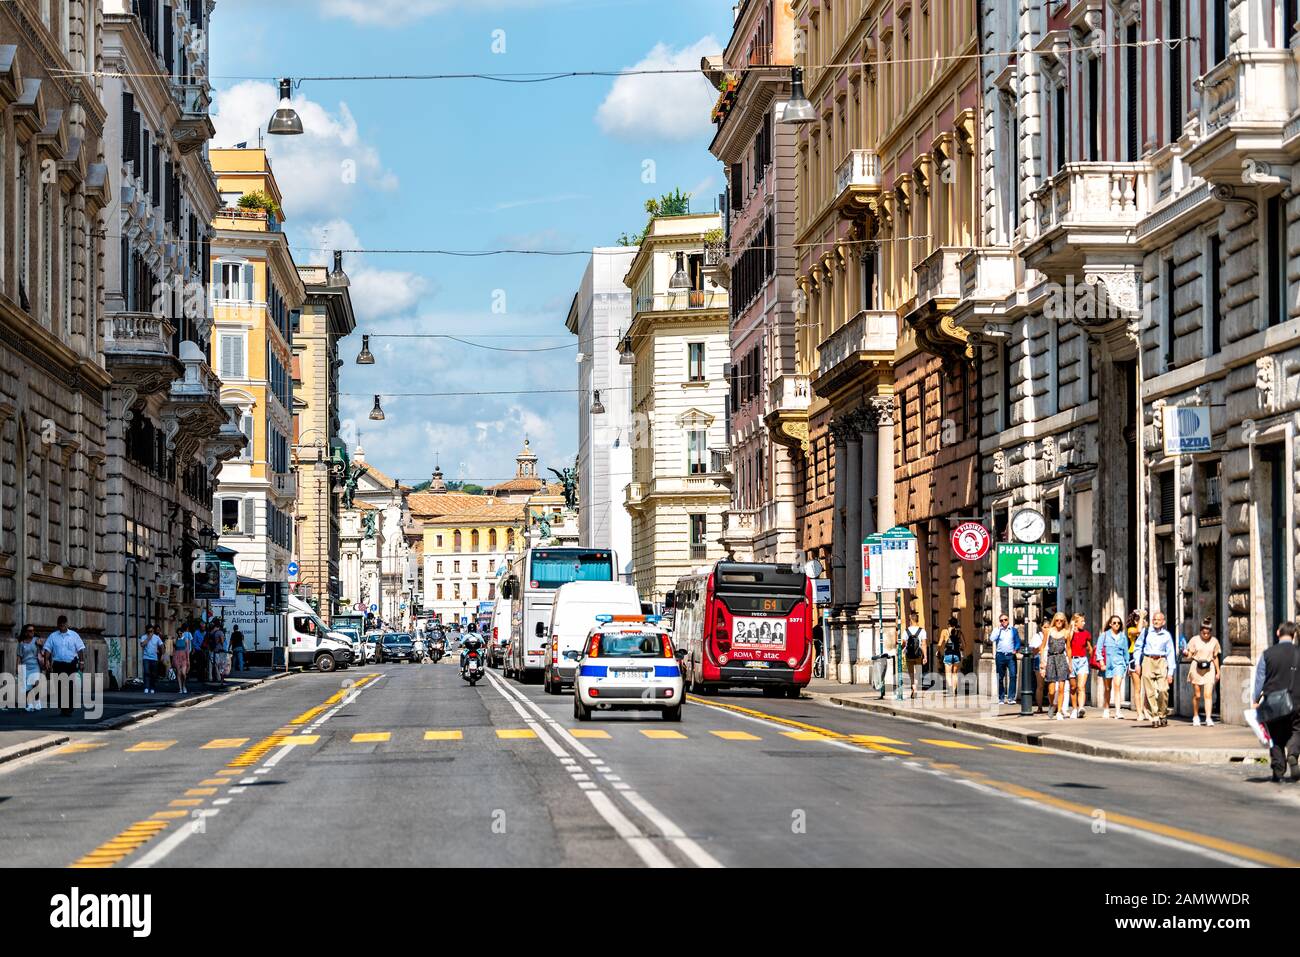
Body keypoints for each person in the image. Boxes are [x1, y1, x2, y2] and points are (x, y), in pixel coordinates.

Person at [1253, 622, 1300, 783]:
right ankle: (1293, 753)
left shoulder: (1268, 654)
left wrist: (1255, 699)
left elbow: (1259, 679)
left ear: (1278, 632)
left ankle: (1278, 770)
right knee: (1297, 730)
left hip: (1273, 702)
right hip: (1296, 701)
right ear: (1294, 634)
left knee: (1275, 736)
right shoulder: (1298, 652)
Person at [1136, 611, 1177, 727]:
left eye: (1158, 619)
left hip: (1161, 661)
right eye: (1154, 619)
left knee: (1163, 690)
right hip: (1148, 660)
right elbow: (1138, 647)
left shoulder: (1167, 635)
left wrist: (1171, 672)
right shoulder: (1146, 632)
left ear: (1163, 622)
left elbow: (1171, 654)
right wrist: (1138, 664)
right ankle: (1154, 716)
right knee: (1150, 691)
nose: (1156, 621)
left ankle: (1162, 713)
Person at [1183, 618, 1221, 727]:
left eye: (1208, 633)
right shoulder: (1194, 640)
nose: (1206, 635)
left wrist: (1218, 671)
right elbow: (1190, 655)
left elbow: (1215, 657)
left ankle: (1208, 718)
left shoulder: (1214, 641)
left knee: (1208, 694)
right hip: (1196, 667)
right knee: (1197, 695)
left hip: (1209, 668)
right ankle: (1195, 716)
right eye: (1204, 633)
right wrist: (1186, 653)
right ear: (1200, 631)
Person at [44, 616, 85, 715]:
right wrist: (46, 661)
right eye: (60, 624)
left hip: (70, 664)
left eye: (63, 624)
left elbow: (80, 649)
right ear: (57, 625)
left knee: (70, 686)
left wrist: (82, 662)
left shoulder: (74, 635)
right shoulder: (53, 636)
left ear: (67, 624)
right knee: (59, 687)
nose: (62, 626)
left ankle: (69, 707)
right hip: (58, 664)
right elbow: (47, 649)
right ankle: (63, 708)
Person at [1041, 613, 1073, 720]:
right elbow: (1043, 647)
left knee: (1061, 688)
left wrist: (1070, 663)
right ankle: (1052, 704)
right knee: (1051, 690)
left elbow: (1068, 648)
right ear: (1054, 620)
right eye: (1057, 620)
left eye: (1061, 620)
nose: (1059, 622)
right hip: (1051, 659)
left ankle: (1059, 711)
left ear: (1064, 622)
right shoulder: (1048, 631)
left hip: (1061, 659)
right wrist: (1042, 662)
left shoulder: (1066, 633)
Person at [1099, 615, 1130, 719]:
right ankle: (1106, 708)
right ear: (1110, 624)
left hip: (1119, 664)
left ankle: (1118, 711)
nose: (1117, 624)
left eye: (1118, 623)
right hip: (1107, 664)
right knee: (1107, 688)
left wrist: (1126, 665)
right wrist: (1102, 663)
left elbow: (1126, 652)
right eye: (1115, 623)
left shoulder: (1123, 637)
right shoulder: (1104, 635)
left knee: (1117, 686)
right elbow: (1098, 650)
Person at [989, 614, 1020, 705]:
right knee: (1000, 677)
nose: (1003, 622)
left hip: (1011, 656)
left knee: (1013, 676)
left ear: (1008, 620)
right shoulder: (997, 630)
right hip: (1000, 656)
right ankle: (1001, 698)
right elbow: (992, 639)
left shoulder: (1013, 630)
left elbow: (1017, 641)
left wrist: (1016, 649)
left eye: (1005, 620)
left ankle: (1011, 698)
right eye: (1001, 620)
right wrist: (998, 630)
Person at [1068, 614, 1094, 718]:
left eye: (1084, 621)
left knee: (1081, 686)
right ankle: (1074, 708)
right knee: (1073, 687)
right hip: (1072, 660)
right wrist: (1069, 663)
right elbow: (1068, 648)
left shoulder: (1086, 633)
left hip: (1082, 660)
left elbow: (1089, 647)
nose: (1084, 623)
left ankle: (1081, 708)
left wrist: (1093, 655)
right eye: (1081, 621)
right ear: (1075, 622)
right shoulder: (1069, 633)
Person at [1127, 610, 1148, 720]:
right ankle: (1139, 712)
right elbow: (1139, 631)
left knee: (1147, 686)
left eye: (1144, 619)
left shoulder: (1149, 631)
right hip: (1134, 657)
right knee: (1137, 688)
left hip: (1146, 656)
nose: (1143, 621)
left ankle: (1146, 709)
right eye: (1139, 619)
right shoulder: (1131, 630)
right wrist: (1141, 616)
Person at [16, 624, 43, 711]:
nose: (32, 632)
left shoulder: (36, 640)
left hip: (35, 666)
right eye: (30, 631)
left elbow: (42, 651)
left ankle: (37, 701)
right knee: (27, 686)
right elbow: (19, 656)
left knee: (36, 683)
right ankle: (30, 703)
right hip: (25, 666)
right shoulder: (21, 643)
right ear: (26, 632)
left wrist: (40, 645)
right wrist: (17, 667)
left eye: (33, 630)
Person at [901, 614, 927, 698]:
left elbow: (904, 643)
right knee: (918, 672)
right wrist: (925, 656)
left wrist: (901, 649)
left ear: (911, 620)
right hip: (918, 655)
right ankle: (915, 689)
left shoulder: (906, 631)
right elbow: (924, 644)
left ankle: (913, 687)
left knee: (911, 673)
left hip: (909, 654)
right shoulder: (922, 631)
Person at [940, 616, 964, 695]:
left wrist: (938, 651)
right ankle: (954, 690)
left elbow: (939, 644)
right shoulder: (959, 632)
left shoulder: (944, 631)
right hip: (957, 654)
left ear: (948, 624)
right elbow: (964, 644)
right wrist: (961, 648)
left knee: (948, 674)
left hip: (948, 654)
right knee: (955, 673)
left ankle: (950, 687)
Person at [139, 624, 164, 695]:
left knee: (154, 674)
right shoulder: (144, 637)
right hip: (146, 658)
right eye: (149, 631)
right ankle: (146, 687)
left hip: (154, 659)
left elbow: (162, 645)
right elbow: (142, 645)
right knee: (146, 672)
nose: (150, 632)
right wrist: (149, 638)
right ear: (147, 630)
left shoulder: (157, 637)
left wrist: (162, 655)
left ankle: (152, 687)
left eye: (152, 630)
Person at [172, 625, 192, 695]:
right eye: (178, 633)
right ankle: (180, 688)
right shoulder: (175, 640)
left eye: (181, 633)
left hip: (184, 657)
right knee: (178, 673)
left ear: (183, 633)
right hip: (177, 657)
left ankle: (184, 686)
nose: (179, 634)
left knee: (183, 673)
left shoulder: (186, 640)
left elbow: (187, 650)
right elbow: (174, 650)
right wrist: (173, 660)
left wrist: (188, 660)